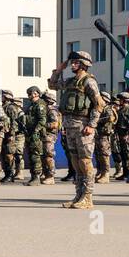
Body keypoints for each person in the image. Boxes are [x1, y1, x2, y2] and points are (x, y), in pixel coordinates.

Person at [47, 51, 105, 209]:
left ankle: (87, 197)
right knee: (75, 162)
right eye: (72, 62)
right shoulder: (71, 81)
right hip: (70, 125)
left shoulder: (88, 82)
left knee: (85, 162)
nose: (73, 65)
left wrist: (92, 125)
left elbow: (99, 104)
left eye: (76, 62)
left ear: (84, 64)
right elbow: (52, 85)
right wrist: (58, 70)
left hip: (82, 125)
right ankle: (78, 195)